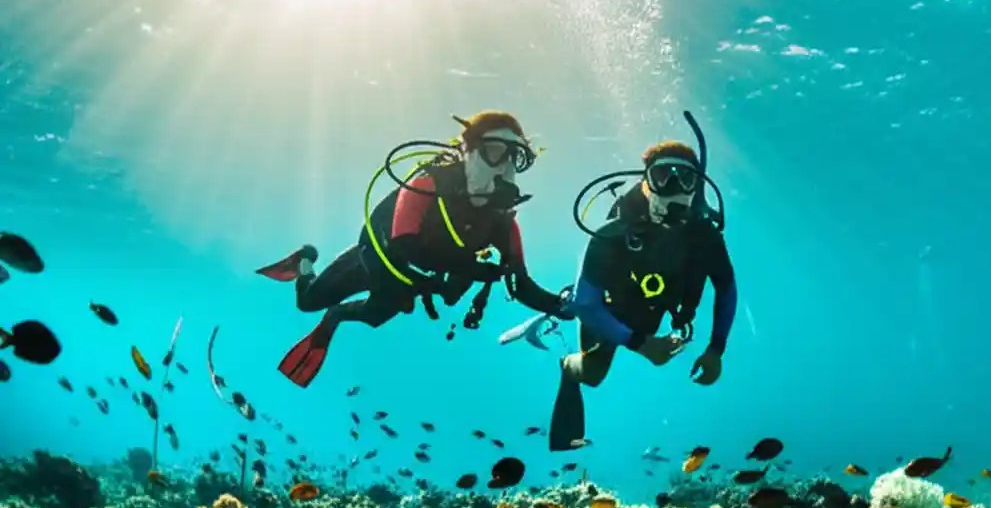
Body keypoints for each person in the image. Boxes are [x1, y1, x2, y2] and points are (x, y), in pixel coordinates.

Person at [256, 110, 573, 388]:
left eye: (515, 158)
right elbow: (403, 246)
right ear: (468, 151)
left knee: (372, 314)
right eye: (493, 151)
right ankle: (305, 260)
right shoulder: (427, 185)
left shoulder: (503, 224)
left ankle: (335, 317)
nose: (503, 167)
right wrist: (470, 269)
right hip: (375, 260)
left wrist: (564, 306)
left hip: (414, 281)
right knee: (308, 302)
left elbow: (520, 286)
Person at [550, 140, 737, 450]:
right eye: (663, 176)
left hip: (652, 314)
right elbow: (585, 303)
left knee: (622, 353)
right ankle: (568, 366)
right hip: (608, 313)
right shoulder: (613, 233)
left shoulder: (705, 237)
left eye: (685, 178)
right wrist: (640, 344)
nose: (674, 186)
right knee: (593, 374)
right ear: (646, 183)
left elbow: (727, 288)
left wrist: (716, 349)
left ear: (696, 187)